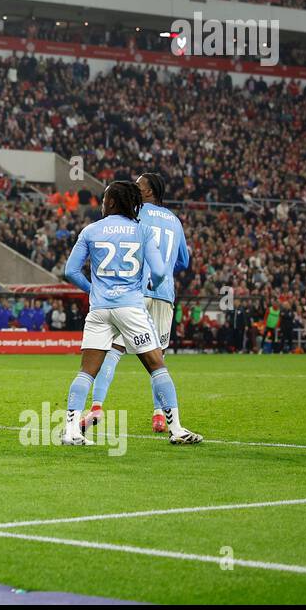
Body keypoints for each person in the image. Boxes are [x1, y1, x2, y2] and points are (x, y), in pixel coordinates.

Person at [60, 181, 201, 446]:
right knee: (157, 365)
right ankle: (177, 429)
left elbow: (71, 271)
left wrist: (93, 290)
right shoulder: (142, 230)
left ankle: (70, 431)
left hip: (100, 309)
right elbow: (160, 272)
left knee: (86, 371)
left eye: (104, 198)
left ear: (112, 202)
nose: (102, 203)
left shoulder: (91, 230)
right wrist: (152, 286)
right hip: (131, 307)